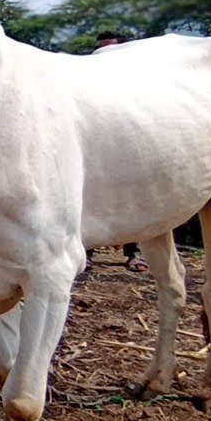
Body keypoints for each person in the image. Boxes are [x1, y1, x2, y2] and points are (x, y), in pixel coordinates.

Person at [85, 31, 147, 273]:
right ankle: (86, 253)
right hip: (96, 153)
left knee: (131, 200)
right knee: (89, 199)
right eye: (99, 50)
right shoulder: (90, 83)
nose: (103, 55)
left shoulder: (134, 84)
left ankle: (135, 253)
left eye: (109, 49)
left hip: (127, 153)